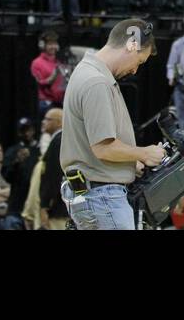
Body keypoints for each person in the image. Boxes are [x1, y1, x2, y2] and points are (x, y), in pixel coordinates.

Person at [60, 18, 164, 230]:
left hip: (92, 194)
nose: (135, 70)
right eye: (139, 61)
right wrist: (144, 154)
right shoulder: (97, 82)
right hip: (102, 198)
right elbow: (103, 148)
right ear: (131, 45)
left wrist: (128, 163)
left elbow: (91, 146)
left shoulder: (87, 71)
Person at [30, 33, 69, 116]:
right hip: (46, 103)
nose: (53, 47)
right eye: (50, 44)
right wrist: (54, 75)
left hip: (60, 102)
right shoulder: (37, 63)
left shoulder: (59, 62)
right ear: (42, 46)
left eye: (55, 44)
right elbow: (40, 83)